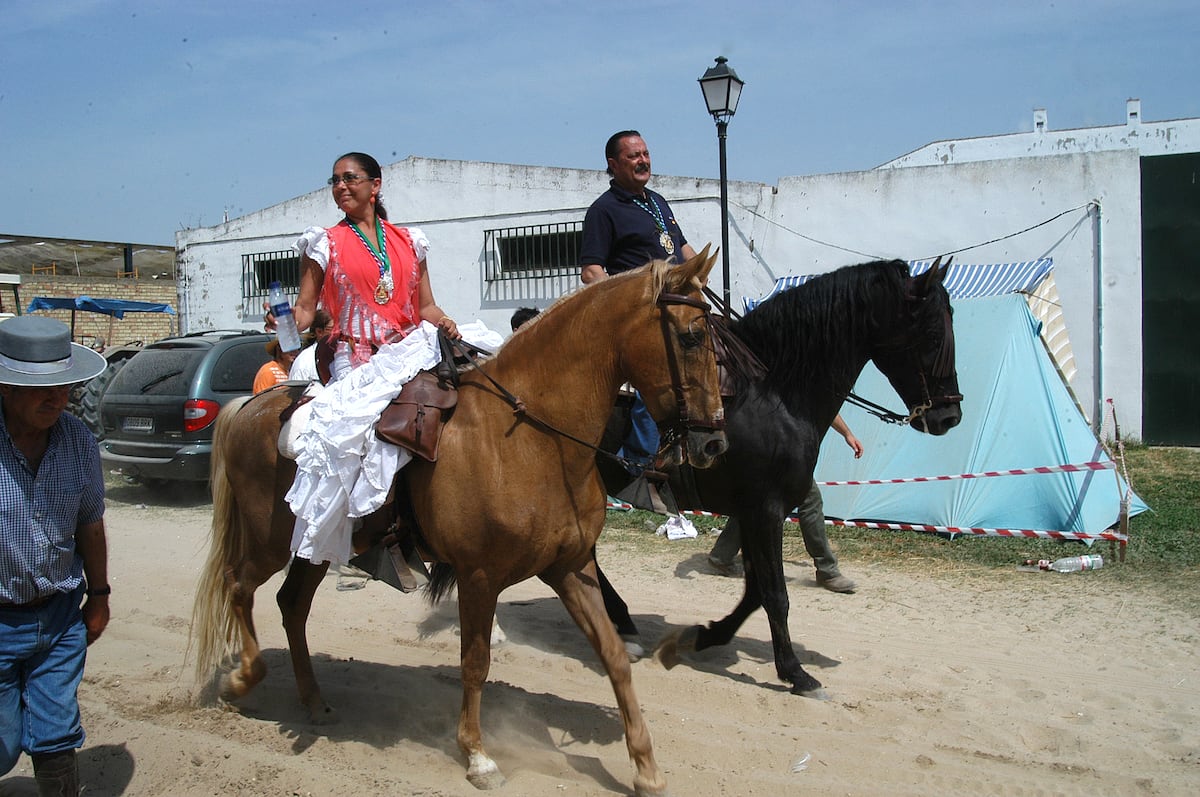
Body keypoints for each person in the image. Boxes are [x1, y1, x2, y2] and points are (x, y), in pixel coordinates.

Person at [274, 152, 504, 568]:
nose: (340, 187)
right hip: (355, 354)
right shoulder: (324, 242)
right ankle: (376, 533)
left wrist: (445, 321)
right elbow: (305, 310)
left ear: (375, 185)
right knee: (361, 430)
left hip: (408, 348)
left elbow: (426, 307)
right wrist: (284, 321)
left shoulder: (410, 241)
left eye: (350, 178)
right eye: (335, 180)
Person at [1, 315, 111, 796]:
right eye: (41, 389)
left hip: (60, 617)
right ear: (6, 388)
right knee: (3, 745)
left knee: (56, 733)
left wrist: (100, 595)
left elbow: (91, 524)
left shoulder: (78, 441)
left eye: (64, 386)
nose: (58, 398)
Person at [580, 130, 697, 470]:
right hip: (644, 319)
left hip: (678, 310)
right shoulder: (603, 210)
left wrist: (699, 273)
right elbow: (591, 272)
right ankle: (644, 463)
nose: (643, 160)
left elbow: (681, 248)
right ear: (613, 164)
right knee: (657, 376)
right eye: (633, 156)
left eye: (645, 153)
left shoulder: (658, 201)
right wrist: (626, 306)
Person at [708, 414, 862, 593]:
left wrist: (847, 434)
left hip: (771, 446)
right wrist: (847, 434)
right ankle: (828, 571)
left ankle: (722, 555)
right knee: (809, 501)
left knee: (754, 502)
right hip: (775, 447)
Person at [287, 307, 333, 383]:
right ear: (319, 332)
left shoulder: (343, 356)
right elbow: (297, 390)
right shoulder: (305, 362)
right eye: (333, 329)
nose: (339, 333)